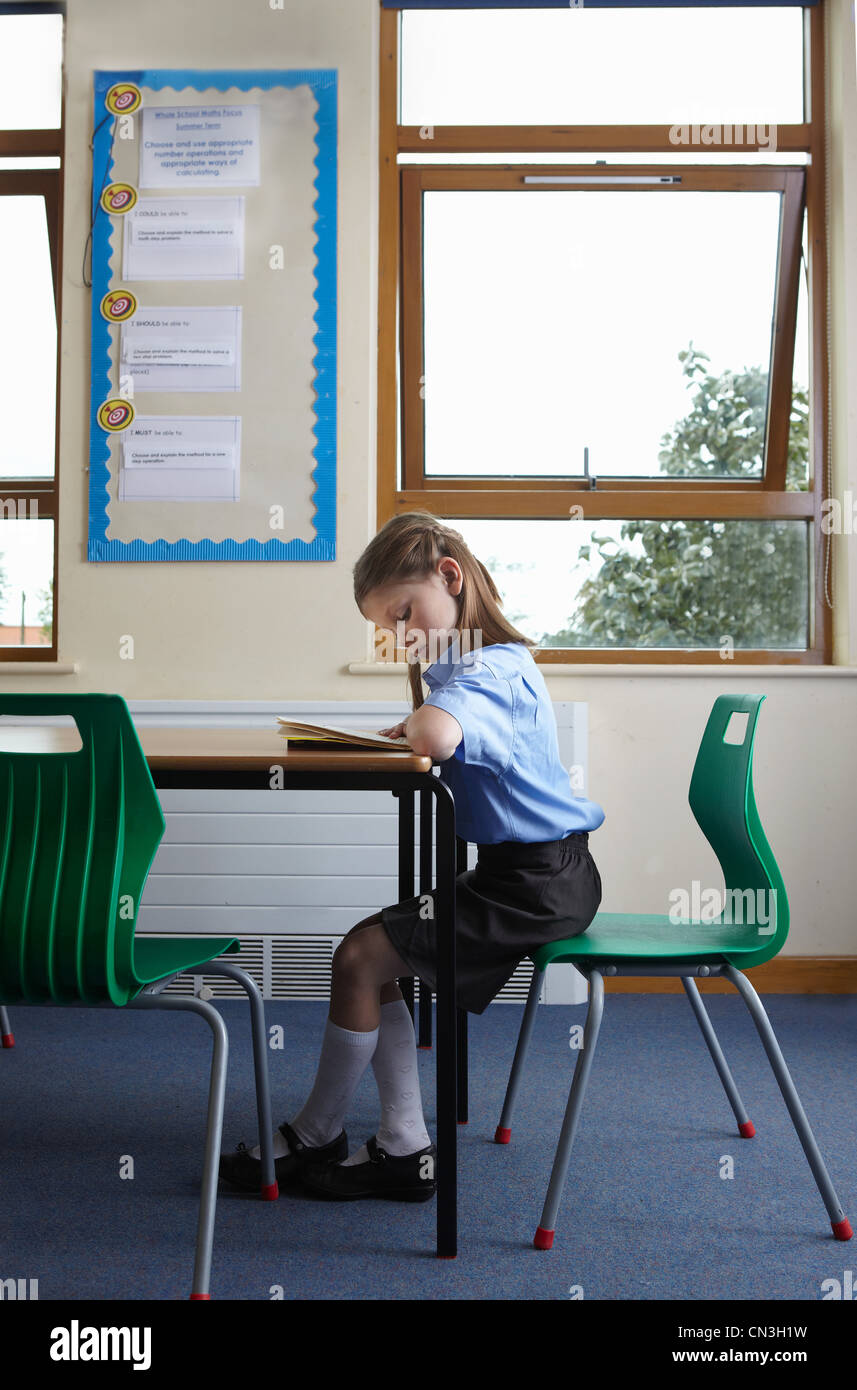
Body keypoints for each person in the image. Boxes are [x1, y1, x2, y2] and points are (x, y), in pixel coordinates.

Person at [219, 512, 605, 1203]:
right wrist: (428, 714)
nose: (401, 637)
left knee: (359, 958)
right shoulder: (482, 668)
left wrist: (424, 718)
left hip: (535, 885)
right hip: (527, 874)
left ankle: (320, 1134)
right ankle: (398, 1142)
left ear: (449, 577)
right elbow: (446, 728)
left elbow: (440, 733)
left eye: (403, 613)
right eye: (388, 627)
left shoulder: (488, 671)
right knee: (367, 953)